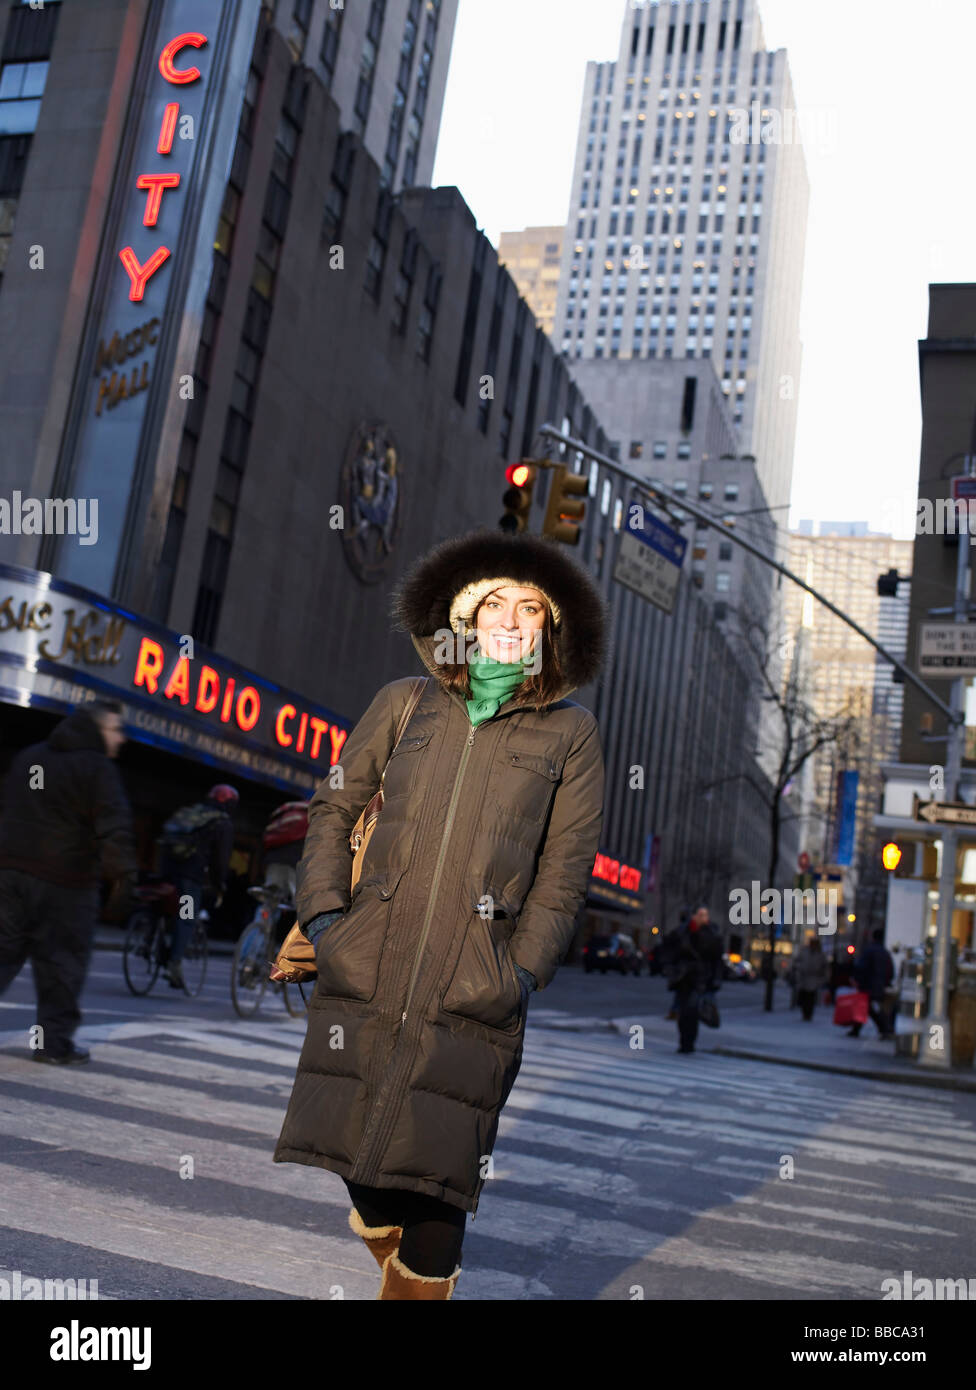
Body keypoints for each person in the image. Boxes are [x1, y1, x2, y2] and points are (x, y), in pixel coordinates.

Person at [273, 529, 606, 1300]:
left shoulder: (572, 732)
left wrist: (519, 970)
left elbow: (565, 870)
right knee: (360, 1171)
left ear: (549, 628)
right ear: (464, 616)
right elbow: (334, 806)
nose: (513, 620)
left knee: (437, 1188)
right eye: (495, 602)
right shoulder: (404, 702)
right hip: (368, 962)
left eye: (531, 608)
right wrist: (327, 919)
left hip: (475, 985)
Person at [0, 699, 137, 1064]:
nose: (121, 738)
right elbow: (113, 826)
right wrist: (123, 880)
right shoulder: (96, 768)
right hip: (66, 883)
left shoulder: (30, 757)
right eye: (115, 729)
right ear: (97, 729)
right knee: (61, 966)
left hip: (10, 875)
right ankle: (52, 1044)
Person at [156, 784, 238, 988]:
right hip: (190, 877)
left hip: (165, 870)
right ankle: (174, 965)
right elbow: (220, 861)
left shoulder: (191, 812)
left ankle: (151, 937)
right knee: (186, 918)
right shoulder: (222, 823)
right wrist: (219, 885)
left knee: (163, 909)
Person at [659, 905, 723, 1053]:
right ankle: (684, 1041)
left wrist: (715, 980)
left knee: (692, 1010)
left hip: (700, 977)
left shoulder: (711, 933)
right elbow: (669, 949)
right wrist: (670, 968)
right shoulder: (682, 932)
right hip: (683, 976)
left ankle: (688, 1042)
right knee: (684, 1010)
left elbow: (716, 959)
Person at [847, 928, 895, 1038]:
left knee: (866, 1007)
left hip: (868, 984)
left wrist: (856, 979)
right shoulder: (885, 952)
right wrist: (887, 982)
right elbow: (890, 970)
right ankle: (881, 1028)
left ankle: (882, 1028)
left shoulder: (869, 950)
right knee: (868, 1007)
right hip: (880, 984)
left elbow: (861, 967)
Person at [259, 799, 309, 904]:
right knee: (298, 901)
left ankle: (262, 919)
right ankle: (298, 920)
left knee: (270, 896)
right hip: (295, 863)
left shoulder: (282, 819)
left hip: (273, 861)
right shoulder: (310, 820)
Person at [794, 935, 828, 1021]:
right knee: (804, 997)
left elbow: (824, 967)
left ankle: (808, 1014)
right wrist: (799, 969)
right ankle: (805, 1013)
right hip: (804, 977)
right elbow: (797, 961)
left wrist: (822, 978)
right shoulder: (804, 951)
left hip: (814, 978)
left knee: (811, 997)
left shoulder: (820, 954)